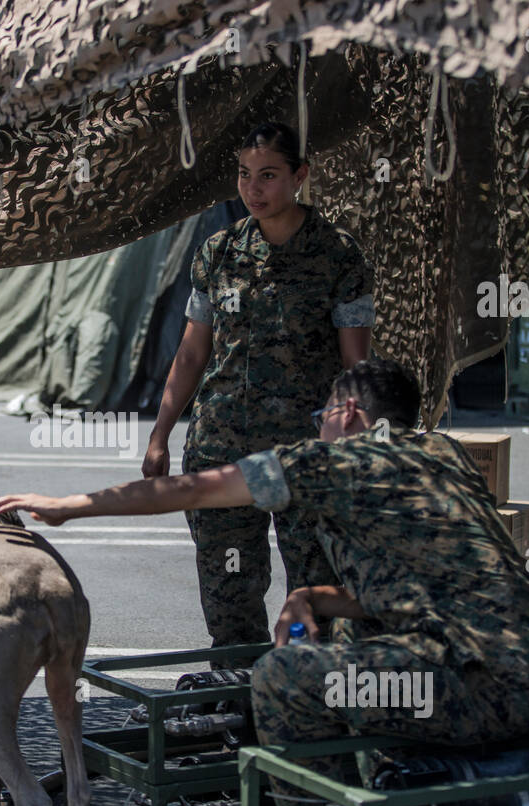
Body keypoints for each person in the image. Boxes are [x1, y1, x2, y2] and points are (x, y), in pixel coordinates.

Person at [0, 358, 529, 806]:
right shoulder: (446, 454)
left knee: (279, 681)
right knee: (345, 633)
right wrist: (315, 598)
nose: (317, 426)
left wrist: (66, 506)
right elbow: (423, 588)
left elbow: (187, 491)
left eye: (323, 414)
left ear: (348, 413)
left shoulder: (330, 462)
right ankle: (401, 791)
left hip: (475, 686)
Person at [143, 122, 375, 647]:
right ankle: (235, 697)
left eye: (268, 176)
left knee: (313, 584)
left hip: (304, 451)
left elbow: (355, 366)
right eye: (245, 176)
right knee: (228, 587)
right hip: (221, 447)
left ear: (299, 176)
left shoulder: (339, 257)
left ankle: (303, 693)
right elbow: (192, 351)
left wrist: (353, 448)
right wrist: (161, 433)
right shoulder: (218, 251)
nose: (254, 189)